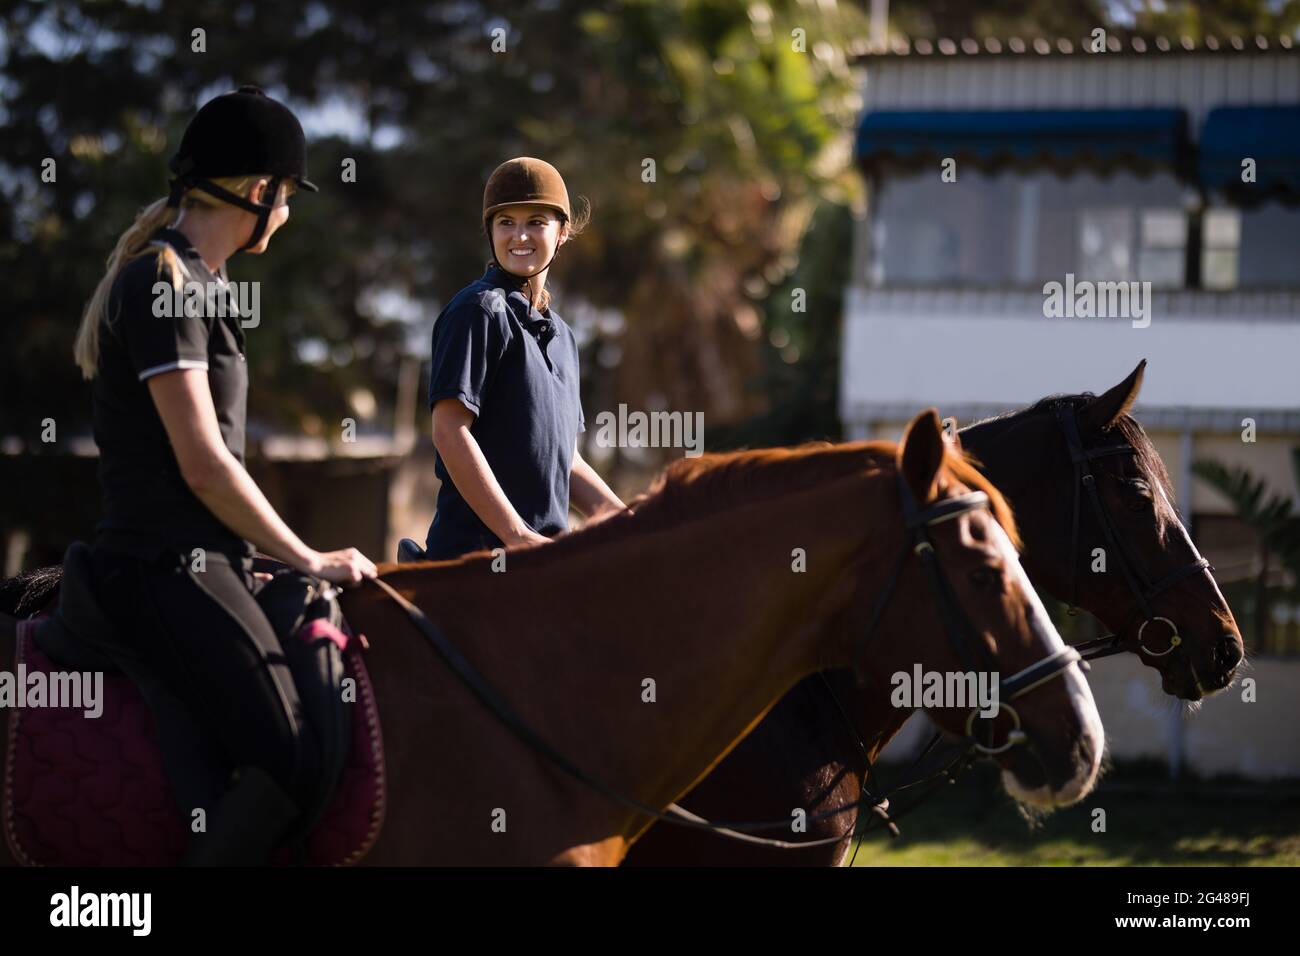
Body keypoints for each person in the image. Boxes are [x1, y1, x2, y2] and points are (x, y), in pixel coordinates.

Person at [71, 85, 377, 864]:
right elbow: (205, 467)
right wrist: (309, 556)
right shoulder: (161, 285)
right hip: (161, 562)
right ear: (259, 191)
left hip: (206, 559)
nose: (288, 213)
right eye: (288, 197)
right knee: (289, 754)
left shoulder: (204, 285)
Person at [423, 157, 625, 560]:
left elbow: (565, 457)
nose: (520, 235)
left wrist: (625, 520)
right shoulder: (478, 311)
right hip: (473, 564)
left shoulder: (565, 337)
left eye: (536, 221)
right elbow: (449, 431)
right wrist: (516, 535)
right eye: (505, 223)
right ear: (490, 232)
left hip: (541, 565)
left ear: (563, 232)